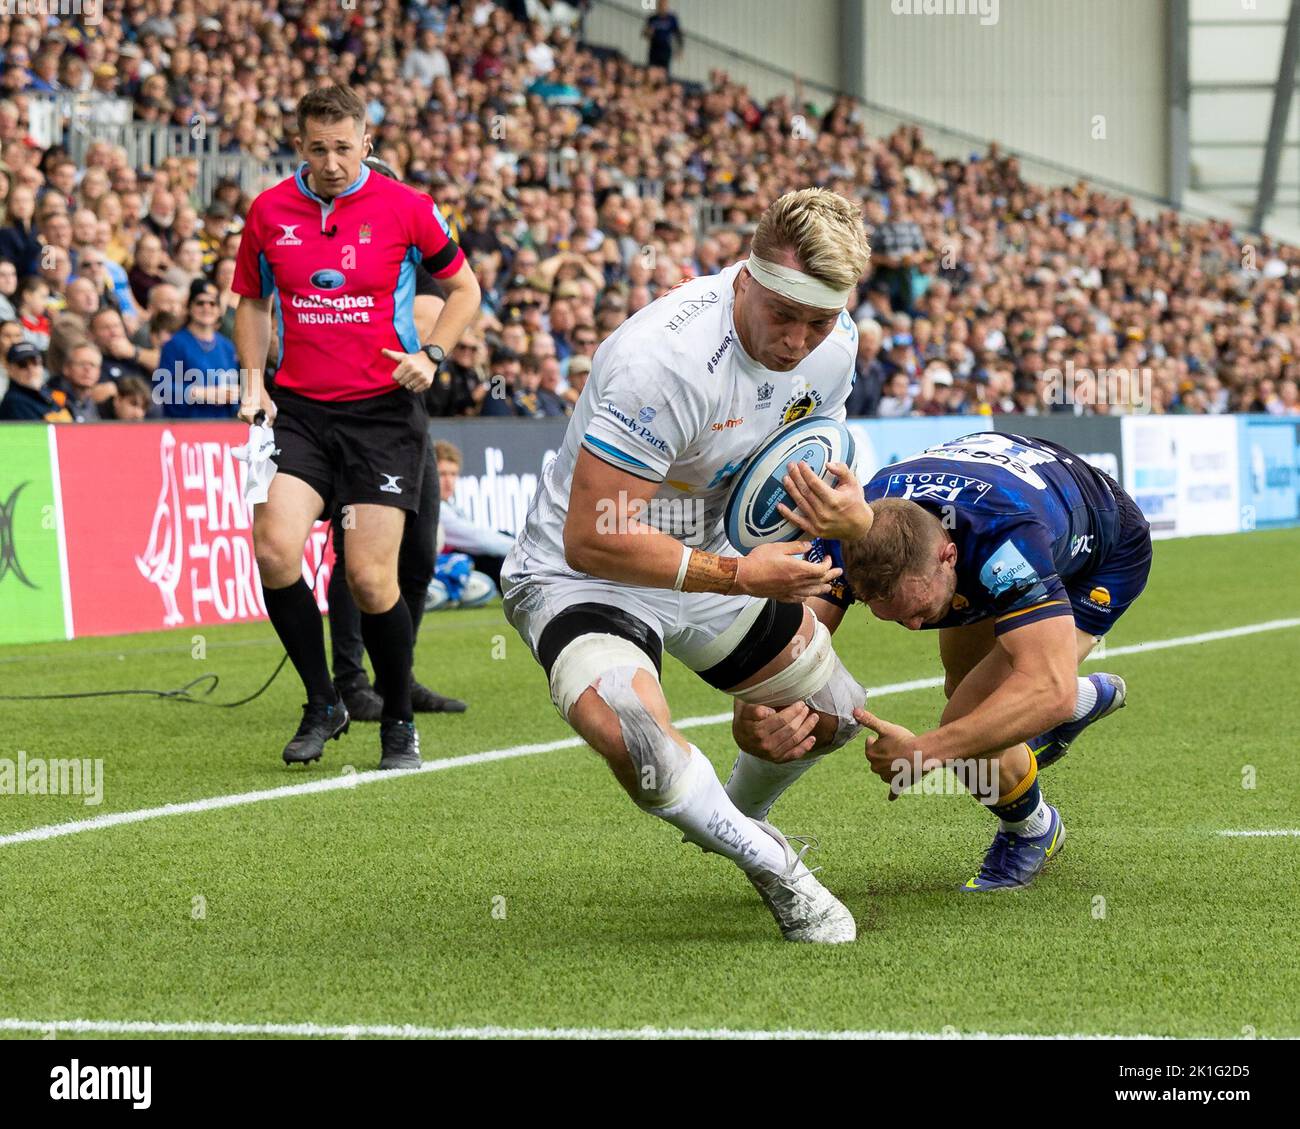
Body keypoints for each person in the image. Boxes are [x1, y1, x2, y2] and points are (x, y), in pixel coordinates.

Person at [500, 187, 873, 943]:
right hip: (583, 573)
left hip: (713, 553)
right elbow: (594, 536)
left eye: (820, 320)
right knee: (640, 745)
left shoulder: (837, 343)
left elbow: (812, 434)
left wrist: (828, 499)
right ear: (748, 277)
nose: (799, 340)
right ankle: (775, 868)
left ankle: (732, 816)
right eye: (784, 316)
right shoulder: (662, 363)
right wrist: (739, 575)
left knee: (831, 714)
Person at [737, 432, 1151, 891]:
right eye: (890, 617)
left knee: (972, 717)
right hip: (985, 509)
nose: (914, 629)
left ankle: (1031, 829)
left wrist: (925, 751)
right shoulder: (845, 536)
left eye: (917, 611)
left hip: (1100, 548)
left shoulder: (1005, 542)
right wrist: (754, 709)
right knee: (971, 693)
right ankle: (1084, 700)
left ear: (948, 556)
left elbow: (1046, 689)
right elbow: (789, 648)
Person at [234, 85, 480, 770]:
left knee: (373, 580)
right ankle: (324, 701)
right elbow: (251, 301)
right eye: (319, 149)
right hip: (302, 412)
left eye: (345, 147)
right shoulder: (269, 211)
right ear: (301, 147)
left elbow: (465, 290)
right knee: (276, 549)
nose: (333, 162)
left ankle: (398, 723)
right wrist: (254, 379)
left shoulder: (408, 207)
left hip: (381, 413)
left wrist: (432, 355)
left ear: (366, 142)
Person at [326, 157, 468, 723]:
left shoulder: (416, 243)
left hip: (405, 419)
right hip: (341, 414)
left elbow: (435, 313)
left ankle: (396, 677)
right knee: (356, 552)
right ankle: (349, 683)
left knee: (417, 554)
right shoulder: (322, 250)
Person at [156, 280, 239, 419]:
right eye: (200, 303)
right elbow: (162, 389)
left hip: (223, 428)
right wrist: (201, 394)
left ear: (219, 310)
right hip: (186, 428)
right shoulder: (174, 344)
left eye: (212, 303)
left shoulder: (227, 347)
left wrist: (236, 395)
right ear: (189, 307)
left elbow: (233, 391)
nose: (206, 308)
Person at [0, 341, 71, 421]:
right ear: (10, 370)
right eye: (22, 364)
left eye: (35, 362)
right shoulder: (14, 402)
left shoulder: (47, 393)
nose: (31, 369)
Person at [643, 0, 684, 74]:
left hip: (665, 50)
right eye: (660, 5)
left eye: (664, 5)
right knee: (652, 71)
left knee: (664, 72)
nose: (662, 7)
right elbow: (645, 34)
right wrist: (648, 33)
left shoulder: (672, 18)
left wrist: (680, 49)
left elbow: (678, 35)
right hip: (654, 49)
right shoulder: (652, 19)